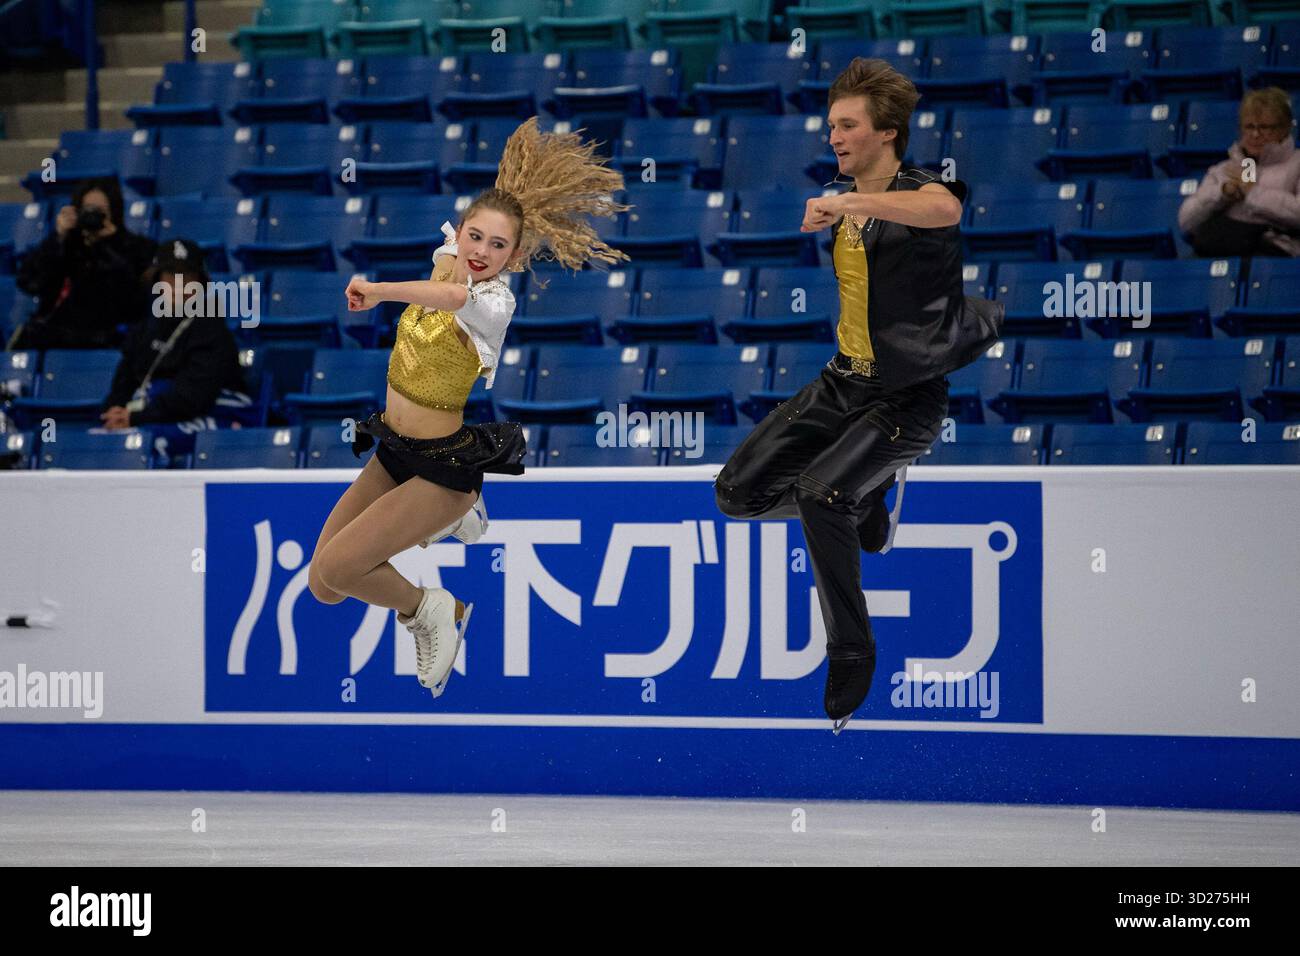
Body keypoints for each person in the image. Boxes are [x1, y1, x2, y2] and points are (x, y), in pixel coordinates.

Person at [713, 58, 1002, 733]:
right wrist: (845, 205)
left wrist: (849, 201)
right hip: (844, 380)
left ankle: (851, 649)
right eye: (831, 126)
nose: (834, 137)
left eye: (847, 126)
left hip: (907, 398)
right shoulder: (849, 204)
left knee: (820, 494)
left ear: (887, 132)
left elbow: (945, 208)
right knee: (736, 495)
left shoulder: (924, 186)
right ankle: (865, 502)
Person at [308, 116, 630, 698]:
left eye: (499, 245)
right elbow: (446, 272)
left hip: (442, 468)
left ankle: (435, 609)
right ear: (459, 231)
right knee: (323, 583)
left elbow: (451, 295)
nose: (482, 251)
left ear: (516, 254)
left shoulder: (492, 301)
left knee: (339, 569)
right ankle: (455, 527)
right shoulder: (447, 255)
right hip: (396, 452)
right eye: (475, 236)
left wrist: (378, 291)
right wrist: (447, 255)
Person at [98, 239, 257, 463]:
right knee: (98, 441)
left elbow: (192, 398)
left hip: (204, 416)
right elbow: (124, 380)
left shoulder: (211, 330)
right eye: (170, 275)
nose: (178, 285)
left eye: (186, 277)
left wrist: (134, 417)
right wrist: (115, 411)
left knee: (151, 444)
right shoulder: (145, 328)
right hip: (149, 415)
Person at [11, 177, 156, 350]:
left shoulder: (136, 248)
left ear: (114, 212)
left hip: (109, 340)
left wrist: (110, 243)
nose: (93, 216)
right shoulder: (65, 246)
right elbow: (29, 283)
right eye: (87, 210)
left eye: (100, 211)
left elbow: (134, 303)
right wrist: (58, 238)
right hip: (58, 339)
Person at [1178, 87, 1300, 258]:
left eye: (1265, 127)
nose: (1255, 134)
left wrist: (1253, 193)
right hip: (1225, 248)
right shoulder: (1225, 169)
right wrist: (1221, 194)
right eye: (1249, 127)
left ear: (1285, 129)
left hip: (1276, 254)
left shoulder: (1297, 164)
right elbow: (1186, 221)